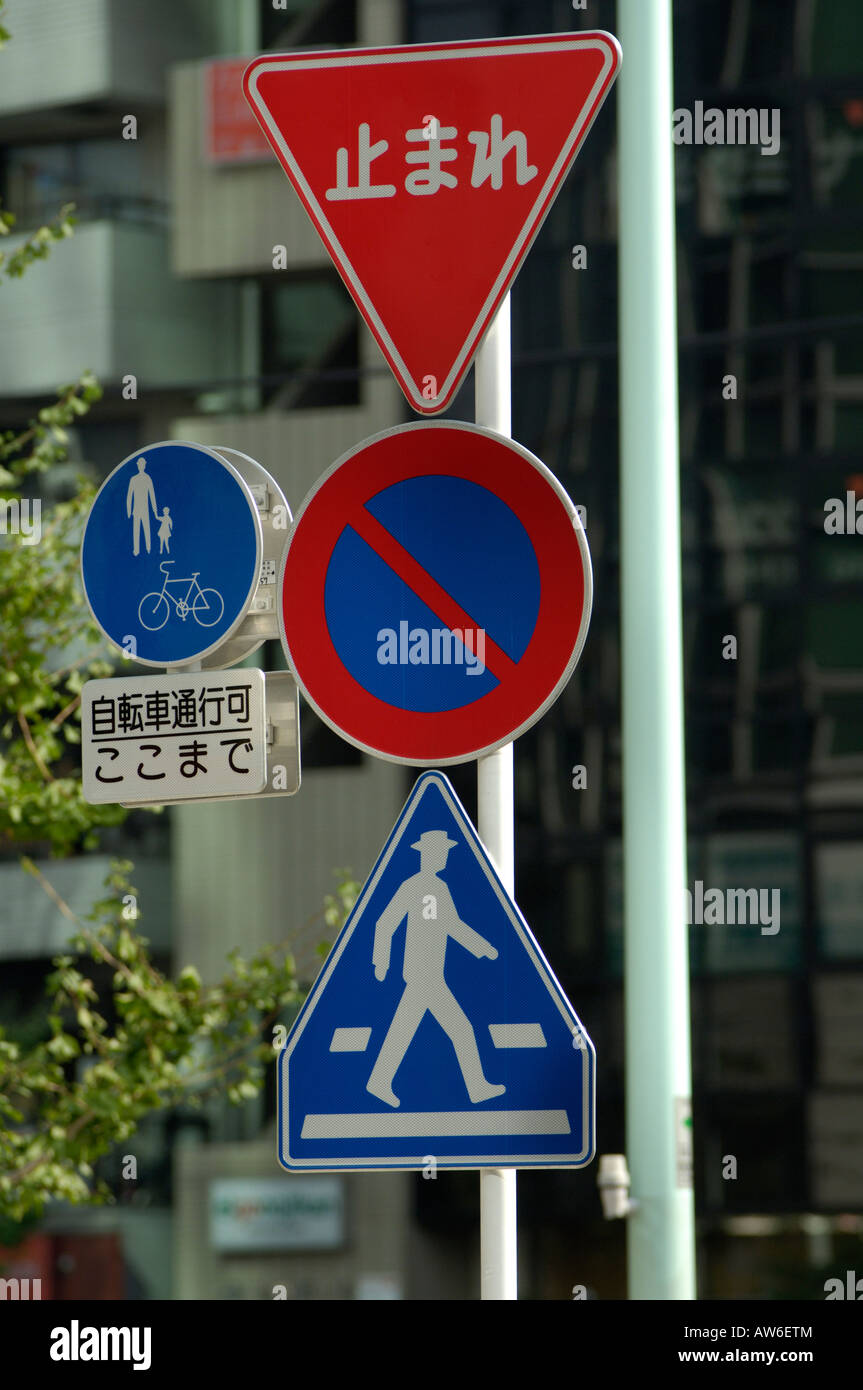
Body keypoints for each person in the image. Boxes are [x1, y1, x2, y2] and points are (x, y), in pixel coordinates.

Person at [366, 828, 505, 1109]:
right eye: (440, 852)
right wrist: (381, 961)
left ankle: (379, 1081)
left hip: (429, 973)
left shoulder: (439, 888)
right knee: (460, 1029)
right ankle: (476, 1087)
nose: (444, 856)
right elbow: (385, 923)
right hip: (422, 974)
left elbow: (452, 925)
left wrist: (483, 948)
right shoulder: (413, 886)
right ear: (427, 855)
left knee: (406, 1028)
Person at [126, 458, 158, 556]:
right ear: (138, 466)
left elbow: (152, 496)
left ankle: (149, 549)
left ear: (144, 465)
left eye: (143, 464)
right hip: (136, 510)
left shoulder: (148, 478)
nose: (141, 466)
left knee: (146, 529)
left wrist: (155, 511)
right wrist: (128, 510)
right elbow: (129, 496)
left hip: (145, 509)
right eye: (140, 464)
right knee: (136, 530)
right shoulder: (133, 479)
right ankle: (136, 550)